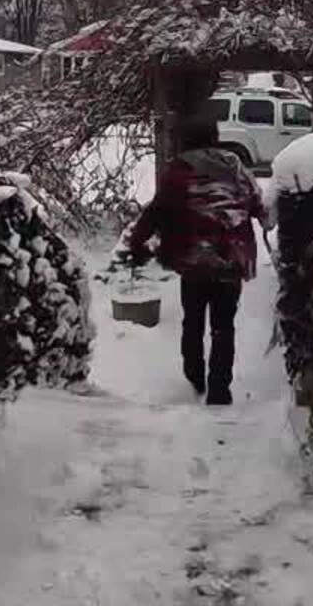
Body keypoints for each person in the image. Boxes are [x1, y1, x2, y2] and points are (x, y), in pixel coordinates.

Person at [120, 113, 270, 405]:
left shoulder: (180, 171)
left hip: (194, 261)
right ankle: (219, 389)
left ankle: (195, 375)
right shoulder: (236, 168)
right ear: (215, 136)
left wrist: (137, 242)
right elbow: (259, 207)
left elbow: (157, 211)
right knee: (224, 326)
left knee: (193, 321)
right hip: (231, 259)